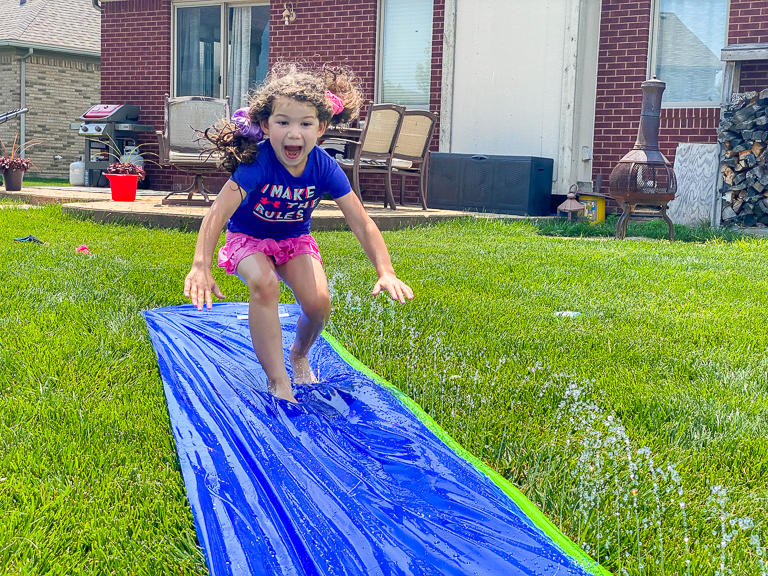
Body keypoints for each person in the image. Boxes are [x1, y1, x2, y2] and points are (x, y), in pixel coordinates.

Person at [184, 64, 413, 403]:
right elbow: (217, 214)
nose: (294, 134)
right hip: (248, 237)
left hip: (294, 241)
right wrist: (201, 265)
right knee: (265, 285)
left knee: (319, 303)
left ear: (321, 128)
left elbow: (361, 221)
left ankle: (299, 354)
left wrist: (386, 270)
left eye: (305, 124)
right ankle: (278, 381)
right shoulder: (258, 164)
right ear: (265, 125)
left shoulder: (324, 167)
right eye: (283, 122)